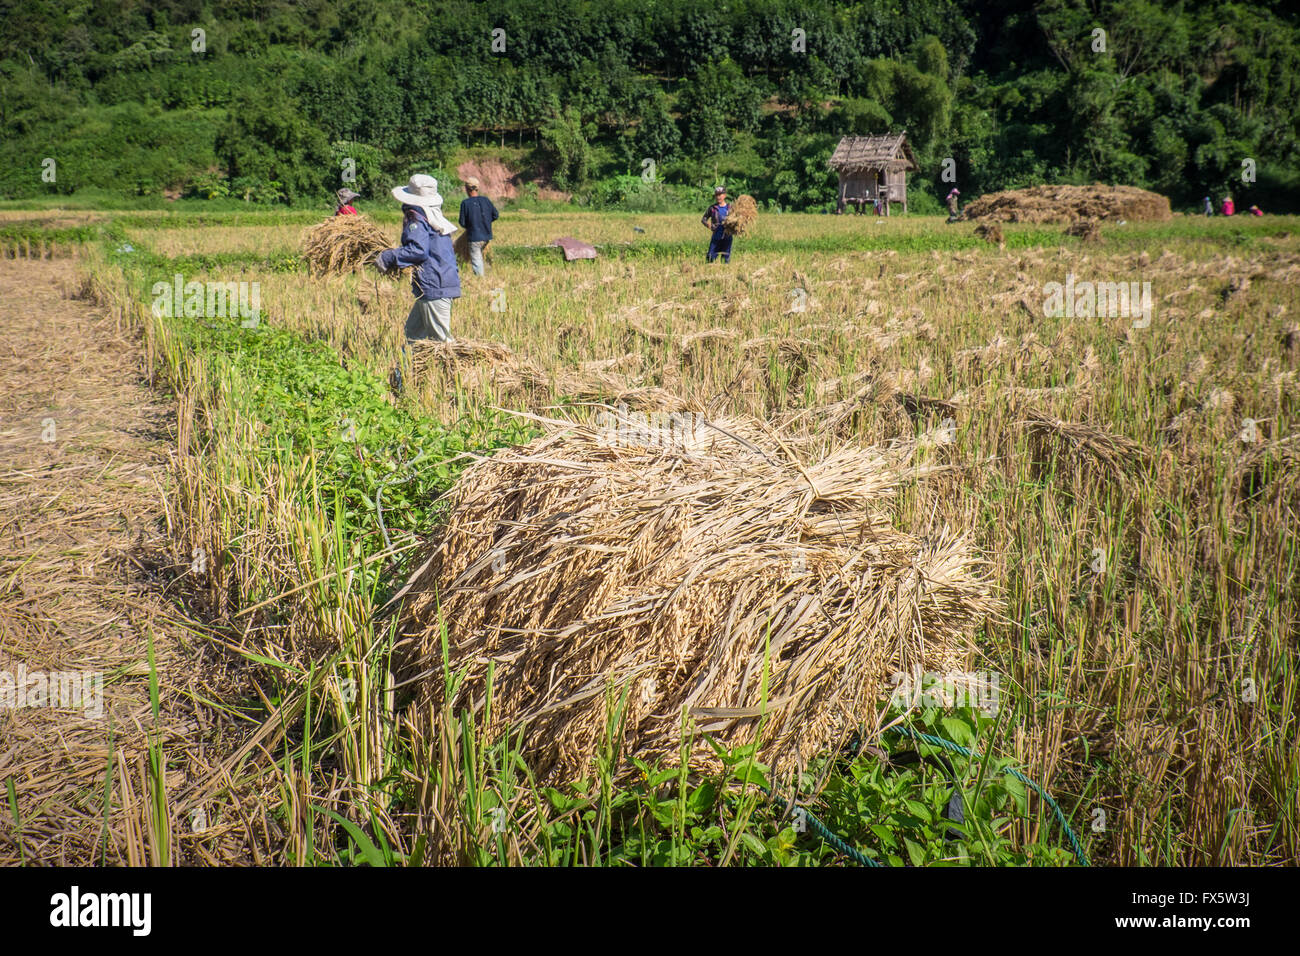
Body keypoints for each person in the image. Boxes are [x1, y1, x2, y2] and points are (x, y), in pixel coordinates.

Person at [375, 174, 461, 343]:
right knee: (413, 335)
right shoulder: (433, 217)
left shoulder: (417, 218)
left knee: (441, 342)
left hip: (434, 286)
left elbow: (417, 250)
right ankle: (404, 370)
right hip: (438, 282)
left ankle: (455, 370)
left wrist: (387, 257)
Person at [457, 176, 499, 276]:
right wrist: (485, 222)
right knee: (481, 255)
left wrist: (471, 225)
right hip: (487, 236)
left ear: (466, 189)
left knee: (476, 260)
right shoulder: (486, 200)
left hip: (474, 237)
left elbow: (462, 222)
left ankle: (480, 280)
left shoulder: (465, 203)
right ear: (478, 188)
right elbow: (495, 215)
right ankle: (488, 272)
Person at [702, 186, 732, 263]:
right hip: (716, 235)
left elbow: (737, 220)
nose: (718, 197)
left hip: (727, 235)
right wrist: (707, 224)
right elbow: (703, 219)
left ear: (724, 195)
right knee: (710, 257)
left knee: (725, 258)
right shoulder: (712, 208)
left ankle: (725, 273)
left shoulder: (730, 208)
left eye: (720, 195)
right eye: (716, 195)